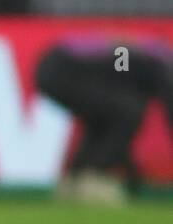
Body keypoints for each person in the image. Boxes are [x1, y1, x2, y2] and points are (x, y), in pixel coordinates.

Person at [35, 36, 173, 203]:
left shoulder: (153, 57)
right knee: (127, 112)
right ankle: (91, 177)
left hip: (57, 65)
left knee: (108, 117)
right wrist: (133, 175)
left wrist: (134, 175)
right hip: (64, 68)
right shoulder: (160, 63)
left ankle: (76, 179)